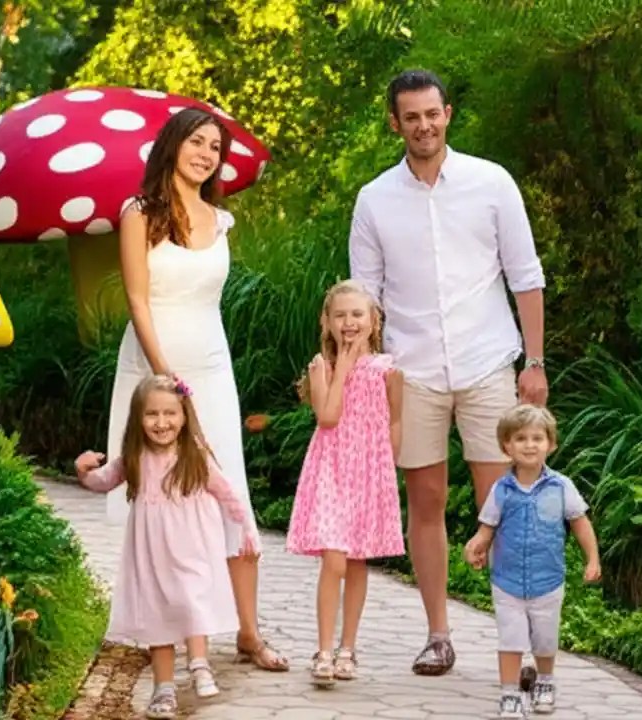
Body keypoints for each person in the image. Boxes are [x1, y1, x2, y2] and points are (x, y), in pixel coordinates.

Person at [348, 67, 549, 676]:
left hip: (487, 362)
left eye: (431, 114)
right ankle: (438, 634)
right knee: (427, 499)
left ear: (448, 114)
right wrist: (364, 382)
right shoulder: (375, 199)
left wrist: (534, 362)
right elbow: (364, 300)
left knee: (504, 502)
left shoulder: (491, 183)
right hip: (412, 371)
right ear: (395, 123)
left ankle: (518, 642)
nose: (423, 125)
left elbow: (526, 275)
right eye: (411, 117)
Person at [106, 107, 289, 672]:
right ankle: (164, 630)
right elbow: (137, 301)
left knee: (228, 488)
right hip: (153, 373)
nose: (206, 154)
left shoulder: (221, 219)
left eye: (215, 148)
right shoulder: (139, 213)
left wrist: (191, 384)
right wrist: (166, 380)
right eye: (197, 142)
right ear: (173, 145)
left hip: (211, 369)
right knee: (160, 500)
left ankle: (248, 633)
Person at [75, 374, 262, 719]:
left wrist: (247, 529)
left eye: (170, 413)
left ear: (184, 416)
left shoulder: (195, 455)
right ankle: (163, 690)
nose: (161, 423)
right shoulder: (135, 456)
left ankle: (199, 664)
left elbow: (227, 493)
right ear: (138, 418)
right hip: (152, 553)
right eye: (152, 414)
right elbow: (105, 480)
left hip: (193, 547)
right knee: (158, 615)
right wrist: (85, 472)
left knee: (192, 600)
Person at [285, 280, 406, 687]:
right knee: (334, 559)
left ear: (374, 321)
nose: (349, 322)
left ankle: (348, 648)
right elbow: (328, 417)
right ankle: (323, 649)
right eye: (340, 315)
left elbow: (395, 420)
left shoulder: (388, 369)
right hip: (332, 470)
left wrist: (388, 471)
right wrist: (344, 368)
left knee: (357, 560)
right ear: (327, 322)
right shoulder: (321, 367)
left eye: (357, 314)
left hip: (369, 472)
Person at [463, 404, 602, 718]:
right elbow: (487, 528)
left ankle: (546, 682)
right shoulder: (502, 489)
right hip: (507, 581)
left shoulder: (561, 487)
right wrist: (476, 546)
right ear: (507, 446)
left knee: (545, 640)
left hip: (547, 581)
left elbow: (580, 523)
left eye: (537, 438)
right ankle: (509, 694)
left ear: (551, 444)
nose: (529, 445)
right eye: (521, 438)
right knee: (510, 640)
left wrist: (592, 559)